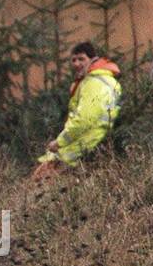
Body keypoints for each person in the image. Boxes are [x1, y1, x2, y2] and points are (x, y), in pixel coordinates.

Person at [32, 42, 122, 180]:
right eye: (73, 60)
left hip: (83, 145)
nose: (76, 63)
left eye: (81, 59)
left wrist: (59, 142)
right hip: (92, 143)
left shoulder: (94, 82)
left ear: (93, 59)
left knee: (39, 181)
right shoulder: (105, 79)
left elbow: (84, 119)